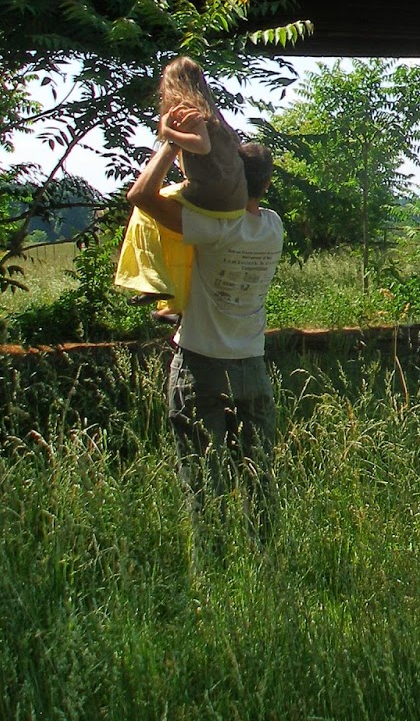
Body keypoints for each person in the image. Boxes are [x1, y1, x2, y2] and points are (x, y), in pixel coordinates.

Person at [126, 133, 284, 557]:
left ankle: (211, 577)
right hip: (252, 367)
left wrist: (173, 144)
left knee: (203, 481)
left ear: (229, 175)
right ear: (266, 184)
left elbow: (141, 195)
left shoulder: (214, 228)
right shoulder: (272, 227)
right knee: (258, 479)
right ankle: (265, 568)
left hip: (200, 368)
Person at [114, 56, 247, 317]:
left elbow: (201, 146)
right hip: (234, 201)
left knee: (144, 208)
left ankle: (151, 281)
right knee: (172, 228)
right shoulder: (215, 117)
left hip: (207, 196)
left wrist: (168, 133)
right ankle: (174, 301)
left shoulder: (188, 111)